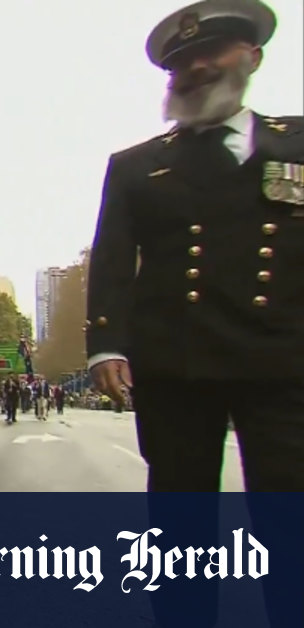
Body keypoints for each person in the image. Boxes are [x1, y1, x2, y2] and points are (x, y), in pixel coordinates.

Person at [85, 3, 301, 627]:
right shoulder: (137, 165)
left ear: (252, 57)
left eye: (215, 51)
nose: (197, 66)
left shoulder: (299, 141)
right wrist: (106, 344)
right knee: (181, 526)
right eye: (181, 62)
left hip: (285, 362)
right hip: (177, 362)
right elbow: (113, 256)